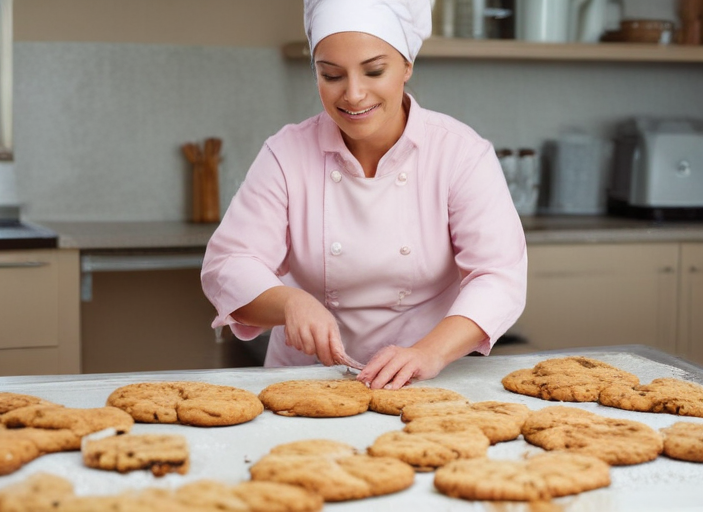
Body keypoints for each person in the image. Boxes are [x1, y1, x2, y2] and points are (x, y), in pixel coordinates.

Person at [201, 0, 527, 390]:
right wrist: (290, 302)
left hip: (427, 380)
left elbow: (498, 276)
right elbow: (229, 263)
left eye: (374, 71)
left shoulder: (459, 153)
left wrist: (429, 352)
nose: (353, 94)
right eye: (331, 74)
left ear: (406, 66)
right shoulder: (286, 153)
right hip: (307, 380)